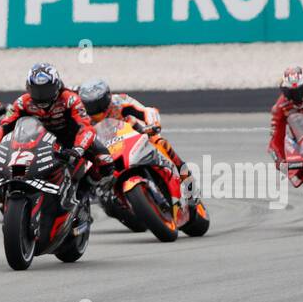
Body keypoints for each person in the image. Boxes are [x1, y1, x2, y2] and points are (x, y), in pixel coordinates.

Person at [77, 78, 209, 220]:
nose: (97, 109)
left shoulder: (119, 101)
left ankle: (189, 186)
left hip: (135, 138)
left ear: (107, 96)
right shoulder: (81, 117)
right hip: (107, 151)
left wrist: (152, 124)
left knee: (161, 143)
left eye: (99, 103)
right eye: (91, 105)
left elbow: (146, 111)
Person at [0, 63, 102, 181]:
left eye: (47, 90)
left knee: (104, 160)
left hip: (70, 142)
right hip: (39, 143)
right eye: (36, 90)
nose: (41, 96)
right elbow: (4, 126)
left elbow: (86, 127)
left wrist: (78, 149)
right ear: (28, 88)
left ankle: (100, 188)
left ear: (57, 86)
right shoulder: (22, 102)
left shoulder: (70, 99)